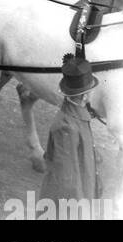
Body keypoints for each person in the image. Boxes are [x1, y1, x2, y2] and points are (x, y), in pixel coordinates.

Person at [37, 54, 101, 213]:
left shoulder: (78, 115)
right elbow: (67, 177)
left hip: (82, 189)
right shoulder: (66, 126)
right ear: (85, 95)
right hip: (68, 203)